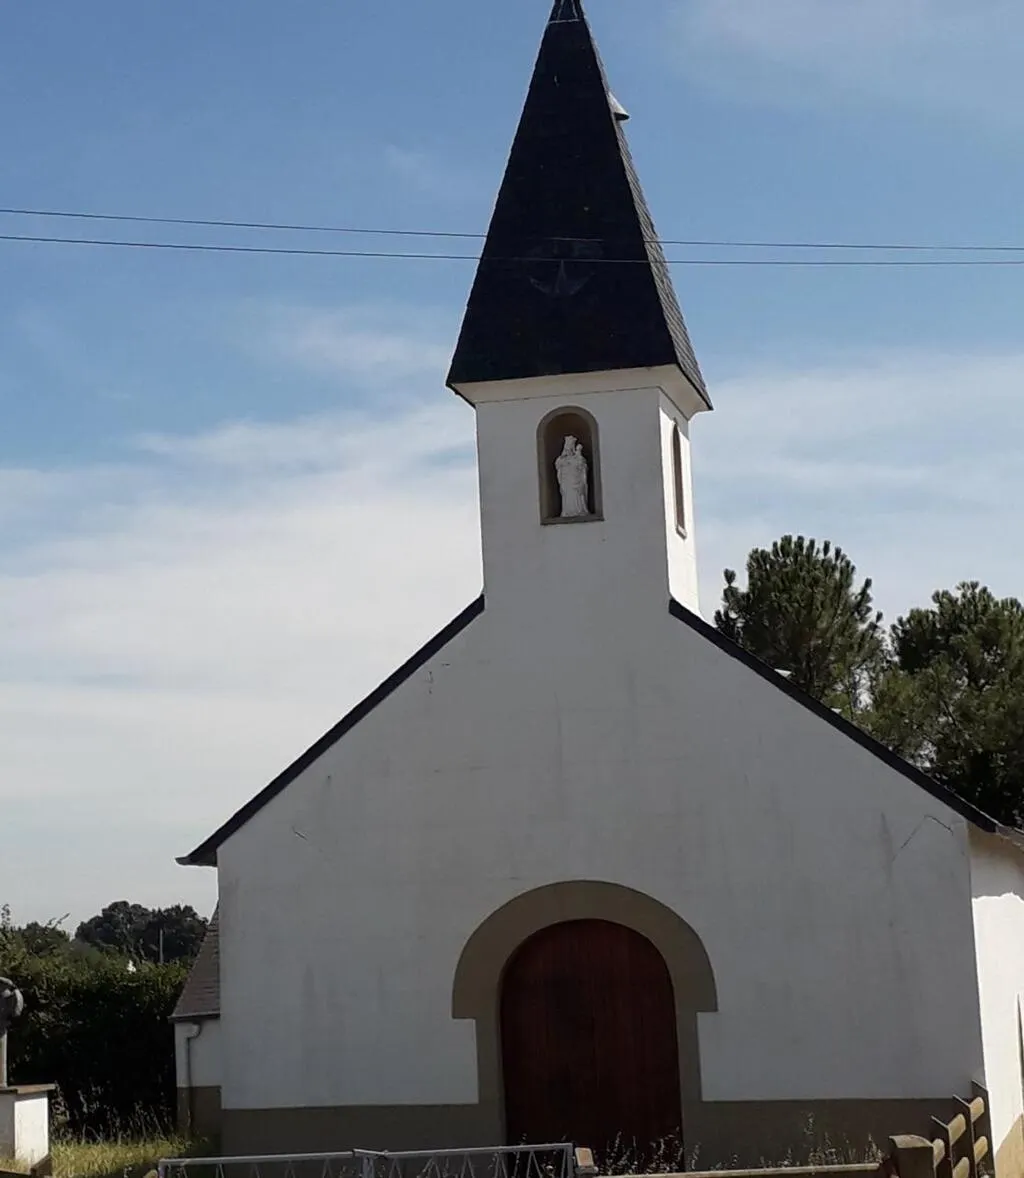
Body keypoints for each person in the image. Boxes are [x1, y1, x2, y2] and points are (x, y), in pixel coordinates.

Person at [555, 435, 589, 517]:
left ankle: (579, 510)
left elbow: (582, 466)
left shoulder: (577, 458)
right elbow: (558, 465)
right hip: (567, 482)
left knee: (577, 496)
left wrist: (579, 454)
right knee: (568, 496)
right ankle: (567, 511)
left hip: (576, 480)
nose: (569, 450)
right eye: (567, 448)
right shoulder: (562, 459)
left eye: (571, 447)